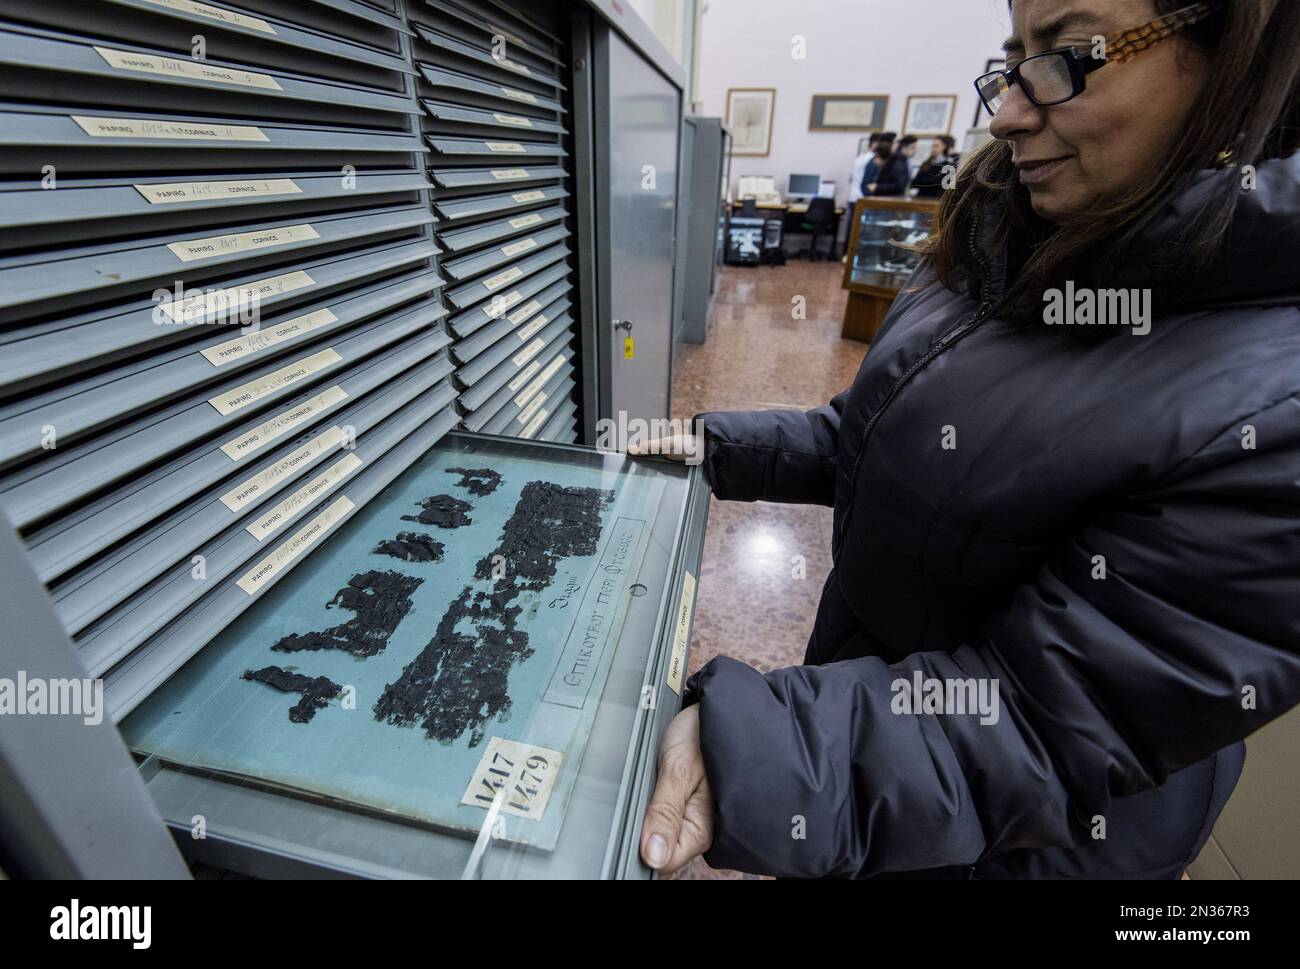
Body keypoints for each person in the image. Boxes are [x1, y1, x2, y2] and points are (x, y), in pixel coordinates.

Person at [629, 0, 1300, 879]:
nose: (1009, 111)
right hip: (871, 716)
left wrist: (761, 750)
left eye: (1066, 58)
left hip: (1020, 837)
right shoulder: (1017, 235)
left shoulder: (1274, 397)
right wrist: (709, 443)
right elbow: (874, 437)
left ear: (1237, 59)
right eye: (1013, 60)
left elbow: (1045, 716)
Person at [851, 131, 895, 202]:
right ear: (875, 143)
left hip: (853, 195)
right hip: (864, 196)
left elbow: (851, 177)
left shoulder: (860, 157)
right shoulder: (873, 159)